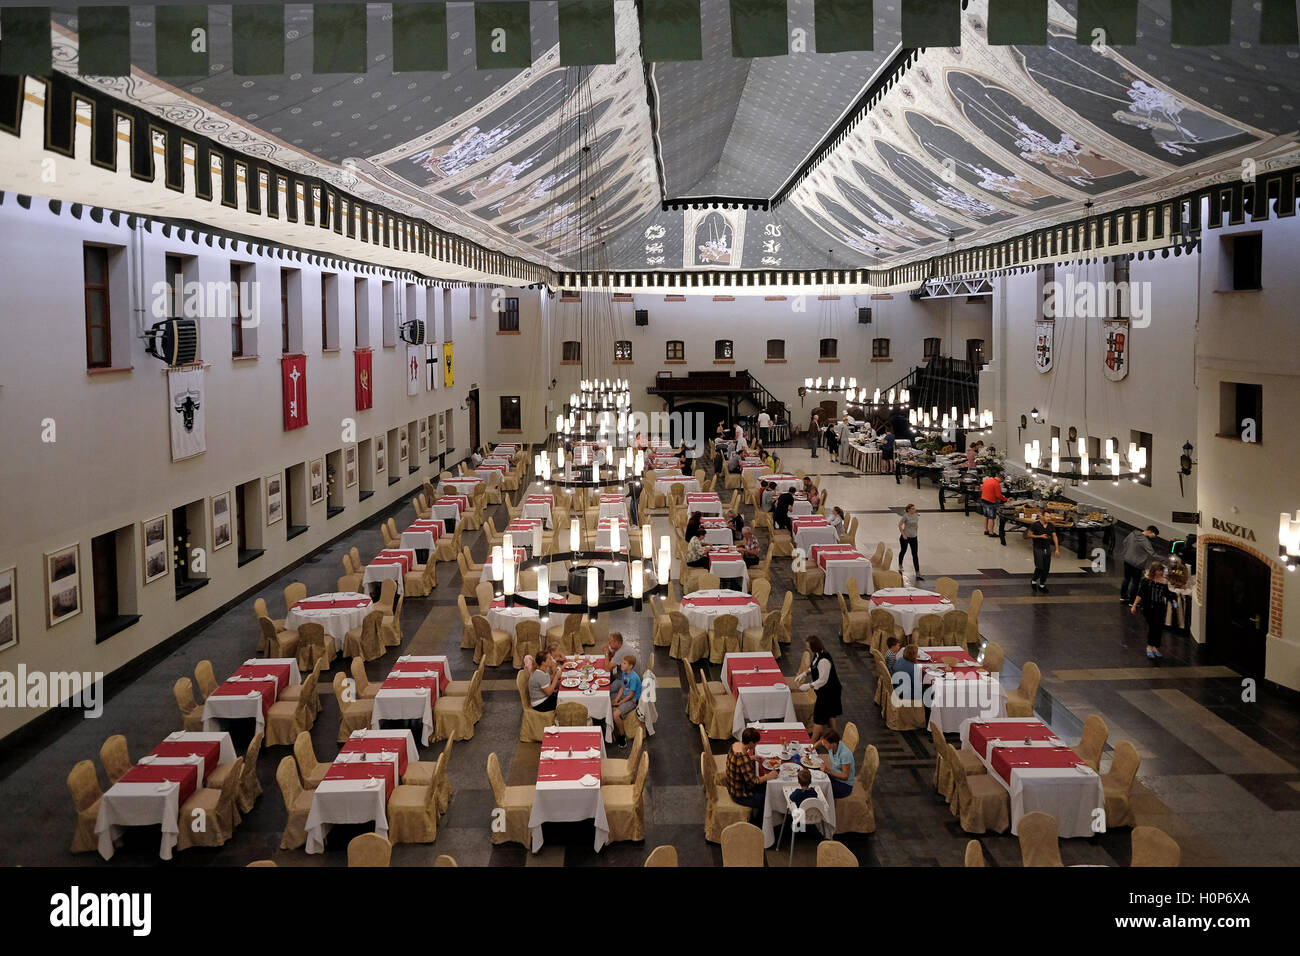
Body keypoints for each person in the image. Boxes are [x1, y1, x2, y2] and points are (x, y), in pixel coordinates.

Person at [796, 635, 842, 743]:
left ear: (814, 646)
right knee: (830, 713)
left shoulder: (824, 660)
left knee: (819, 717)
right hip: (826, 690)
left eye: (808, 647)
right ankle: (834, 736)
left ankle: (812, 741)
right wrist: (804, 673)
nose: (808, 649)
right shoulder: (818, 655)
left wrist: (809, 685)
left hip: (829, 692)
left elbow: (823, 680)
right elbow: (813, 666)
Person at [726, 727, 779, 814]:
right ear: (751, 743)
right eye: (756, 743)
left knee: (766, 786)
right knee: (769, 798)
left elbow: (738, 761)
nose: (756, 746)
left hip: (732, 787)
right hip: (740, 795)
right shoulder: (743, 758)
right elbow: (754, 781)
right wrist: (768, 776)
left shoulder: (735, 745)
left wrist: (752, 757)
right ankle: (762, 820)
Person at [1131, 561, 1173, 660]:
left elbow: (1167, 594)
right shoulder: (1147, 581)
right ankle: (1149, 646)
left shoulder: (1164, 581)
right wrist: (1134, 605)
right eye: (1159, 570)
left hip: (1160, 608)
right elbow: (1140, 594)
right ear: (1154, 571)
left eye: (1162, 570)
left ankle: (1155, 647)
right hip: (1149, 608)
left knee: (1159, 628)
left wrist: (1173, 601)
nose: (1161, 572)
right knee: (1153, 627)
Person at [1121, 525, 1159, 603]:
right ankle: (1132, 601)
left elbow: (1124, 542)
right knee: (1135, 582)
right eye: (1153, 535)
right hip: (1137, 564)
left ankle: (1123, 596)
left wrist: (1127, 552)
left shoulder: (1133, 534)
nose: (1153, 537)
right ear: (1150, 531)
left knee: (1126, 578)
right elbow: (1152, 553)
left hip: (1127, 560)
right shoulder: (1145, 541)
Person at [610, 654, 642, 746]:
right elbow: (622, 688)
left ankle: (622, 736)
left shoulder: (633, 678)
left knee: (615, 715)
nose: (621, 665)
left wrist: (619, 703)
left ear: (630, 666)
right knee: (610, 702)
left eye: (624, 663)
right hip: (625, 695)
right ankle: (612, 729)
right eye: (622, 662)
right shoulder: (625, 673)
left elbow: (631, 696)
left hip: (632, 700)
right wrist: (616, 700)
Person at [818, 728, 855, 800]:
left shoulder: (845, 754)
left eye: (826, 743)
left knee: (820, 789)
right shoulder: (833, 745)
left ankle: (825, 809)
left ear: (833, 744)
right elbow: (821, 741)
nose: (824, 744)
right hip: (834, 776)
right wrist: (813, 747)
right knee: (815, 774)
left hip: (844, 785)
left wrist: (828, 771)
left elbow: (845, 776)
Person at [1028, 512, 1060, 592]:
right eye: (1047, 516)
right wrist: (1040, 536)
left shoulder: (1050, 525)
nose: (1049, 518)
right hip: (1038, 548)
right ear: (1042, 516)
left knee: (1046, 568)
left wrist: (1057, 549)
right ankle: (1033, 580)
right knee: (1039, 567)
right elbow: (1029, 535)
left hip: (1047, 548)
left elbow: (1054, 536)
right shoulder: (1035, 525)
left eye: (1049, 517)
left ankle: (1042, 584)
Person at [898, 503, 922, 580]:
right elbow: (900, 525)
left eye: (914, 508)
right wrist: (903, 534)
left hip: (914, 537)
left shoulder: (916, 516)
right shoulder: (905, 516)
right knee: (903, 551)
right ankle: (900, 564)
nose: (914, 510)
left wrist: (916, 533)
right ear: (909, 509)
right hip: (905, 537)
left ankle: (917, 572)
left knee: (915, 554)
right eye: (912, 508)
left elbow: (916, 525)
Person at [979, 472, 1006, 536]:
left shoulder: (987, 480)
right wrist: (1005, 499)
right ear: (1000, 478)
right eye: (1002, 480)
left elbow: (982, 488)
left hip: (983, 500)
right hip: (990, 502)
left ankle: (986, 530)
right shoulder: (996, 484)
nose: (1001, 482)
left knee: (986, 516)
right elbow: (998, 495)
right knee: (991, 517)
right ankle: (991, 532)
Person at [601, 631, 625, 695]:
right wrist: (610, 652)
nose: (608, 643)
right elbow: (613, 658)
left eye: (610, 642)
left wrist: (606, 653)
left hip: (626, 680)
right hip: (622, 674)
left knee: (603, 690)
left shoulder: (621, 652)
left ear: (616, 642)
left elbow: (607, 669)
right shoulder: (622, 645)